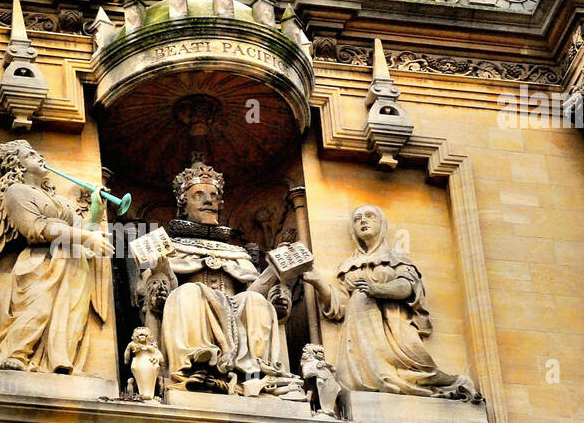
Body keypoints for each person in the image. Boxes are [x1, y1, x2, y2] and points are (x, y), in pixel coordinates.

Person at [140, 160, 305, 399]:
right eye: (199, 195)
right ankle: (196, 365)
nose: (209, 201)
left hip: (233, 313)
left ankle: (258, 373)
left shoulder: (237, 253)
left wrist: (274, 277)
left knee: (254, 301)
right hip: (193, 308)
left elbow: (254, 291)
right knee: (189, 293)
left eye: (214, 196)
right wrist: (159, 280)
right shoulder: (169, 248)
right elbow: (154, 294)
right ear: (183, 204)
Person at [303, 205, 481, 400]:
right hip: (358, 331)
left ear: (382, 223)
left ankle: (454, 384)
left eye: (369, 216)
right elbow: (340, 305)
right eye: (357, 219)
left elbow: (407, 287)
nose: (363, 221)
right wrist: (318, 282)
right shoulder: (347, 266)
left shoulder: (396, 257)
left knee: (420, 374)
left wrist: (377, 289)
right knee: (356, 377)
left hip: (393, 328)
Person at [0, 141, 112, 373]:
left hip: (72, 263)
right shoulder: (17, 192)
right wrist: (84, 238)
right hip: (41, 262)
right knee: (39, 308)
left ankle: (58, 363)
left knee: (72, 318)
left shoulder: (61, 202)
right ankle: (18, 354)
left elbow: (84, 230)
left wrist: (96, 208)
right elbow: (36, 228)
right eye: (30, 154)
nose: (39, 155)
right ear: (17, 163)